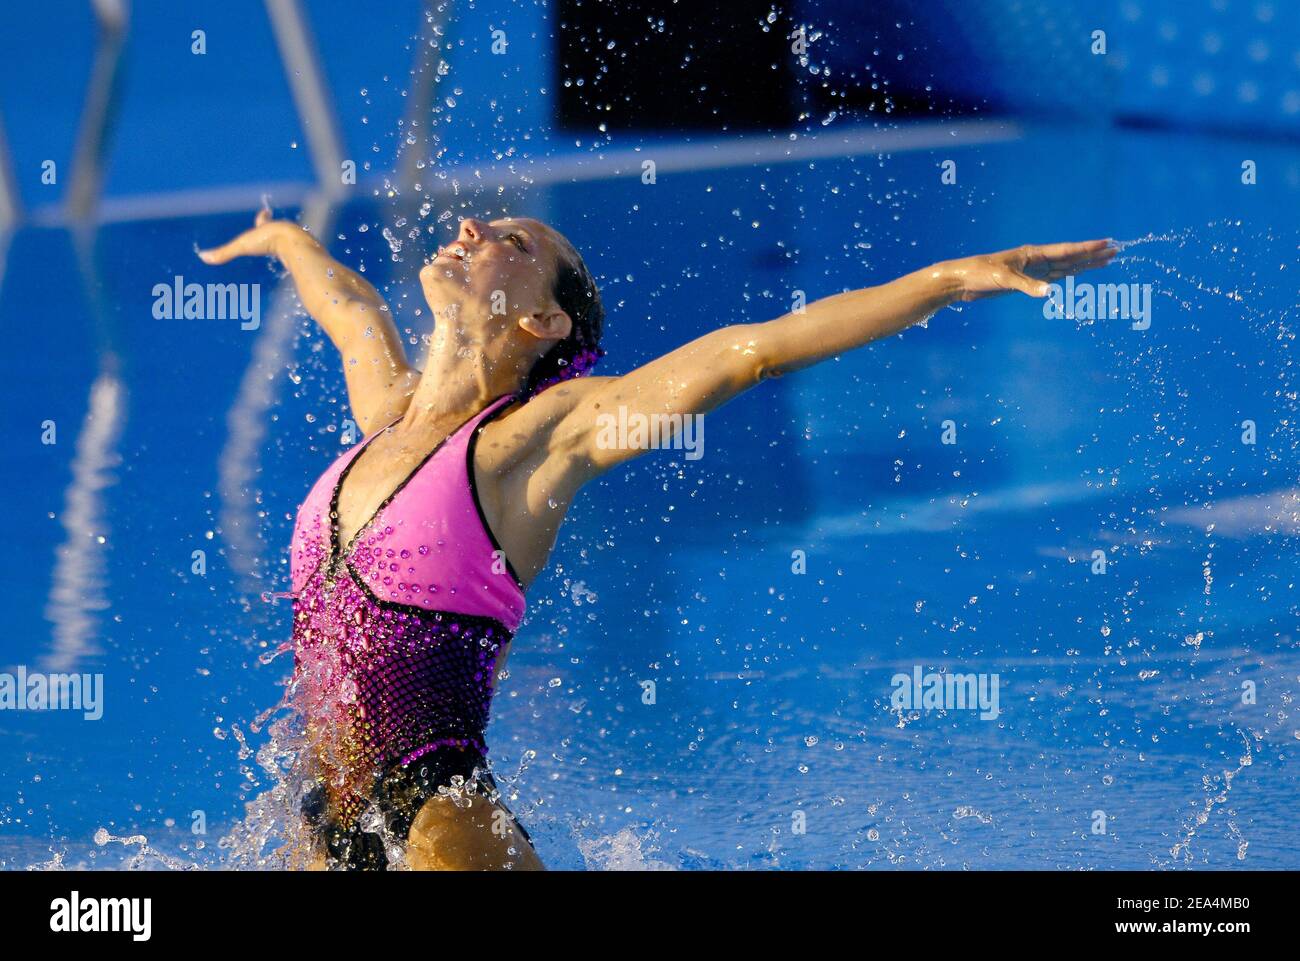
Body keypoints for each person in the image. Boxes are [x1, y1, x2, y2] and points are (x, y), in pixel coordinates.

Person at [199, 210, 1116, 869]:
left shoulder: (537, 440)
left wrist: (949, 279)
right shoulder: (384, 414)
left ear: (543, 323)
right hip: (320, 817)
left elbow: (751, 351)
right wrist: (284, 238)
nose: (475, 230)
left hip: (440, 812)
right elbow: (350, 307)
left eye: (516, 243)